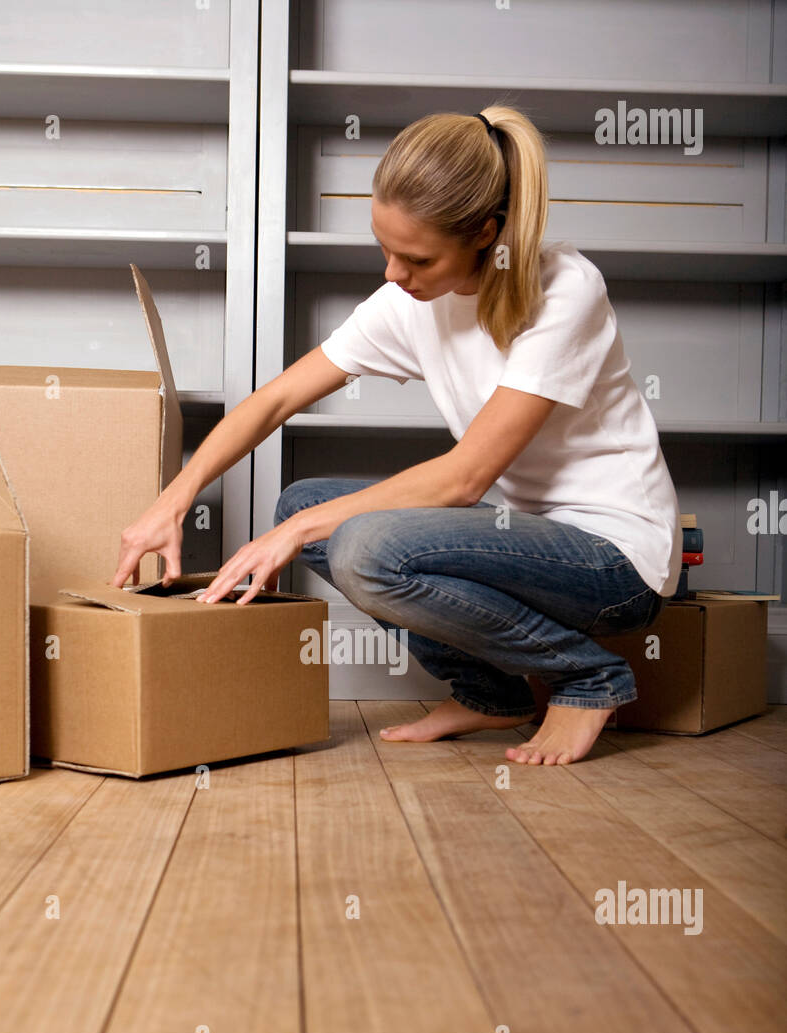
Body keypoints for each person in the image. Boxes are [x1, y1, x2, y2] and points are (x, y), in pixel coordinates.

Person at [111, 105, 682, 767]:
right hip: (525, 539)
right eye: (384, 249)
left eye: (414, 257)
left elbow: (466, 476)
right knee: (302, 504)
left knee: (359, 545)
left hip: (616, 562)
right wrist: (173, 498)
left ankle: (587, 677)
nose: (391, 273)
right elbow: (274, 401)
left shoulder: (564, 292)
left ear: (485, 233)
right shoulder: (409, 299)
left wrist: (297, 537)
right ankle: (490, 694)